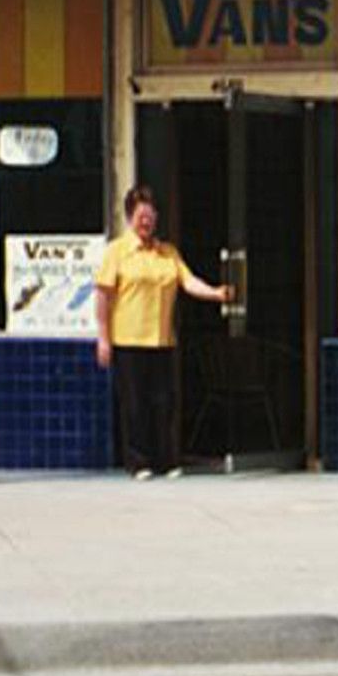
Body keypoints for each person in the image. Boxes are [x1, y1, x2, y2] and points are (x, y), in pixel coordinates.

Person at [94, 184, 231, 480]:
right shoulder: (117, 252)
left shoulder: (168, 253)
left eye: (150, 215)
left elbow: (189, 282)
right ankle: (138, 461)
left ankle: (166, 459)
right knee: (135, 404)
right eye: (141, 215)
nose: (146, 221)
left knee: (164, 403)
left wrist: (216, 293)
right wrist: (103, 338)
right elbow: (103, 296)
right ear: (130, 217)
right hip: (128, 340)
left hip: (162, 339)